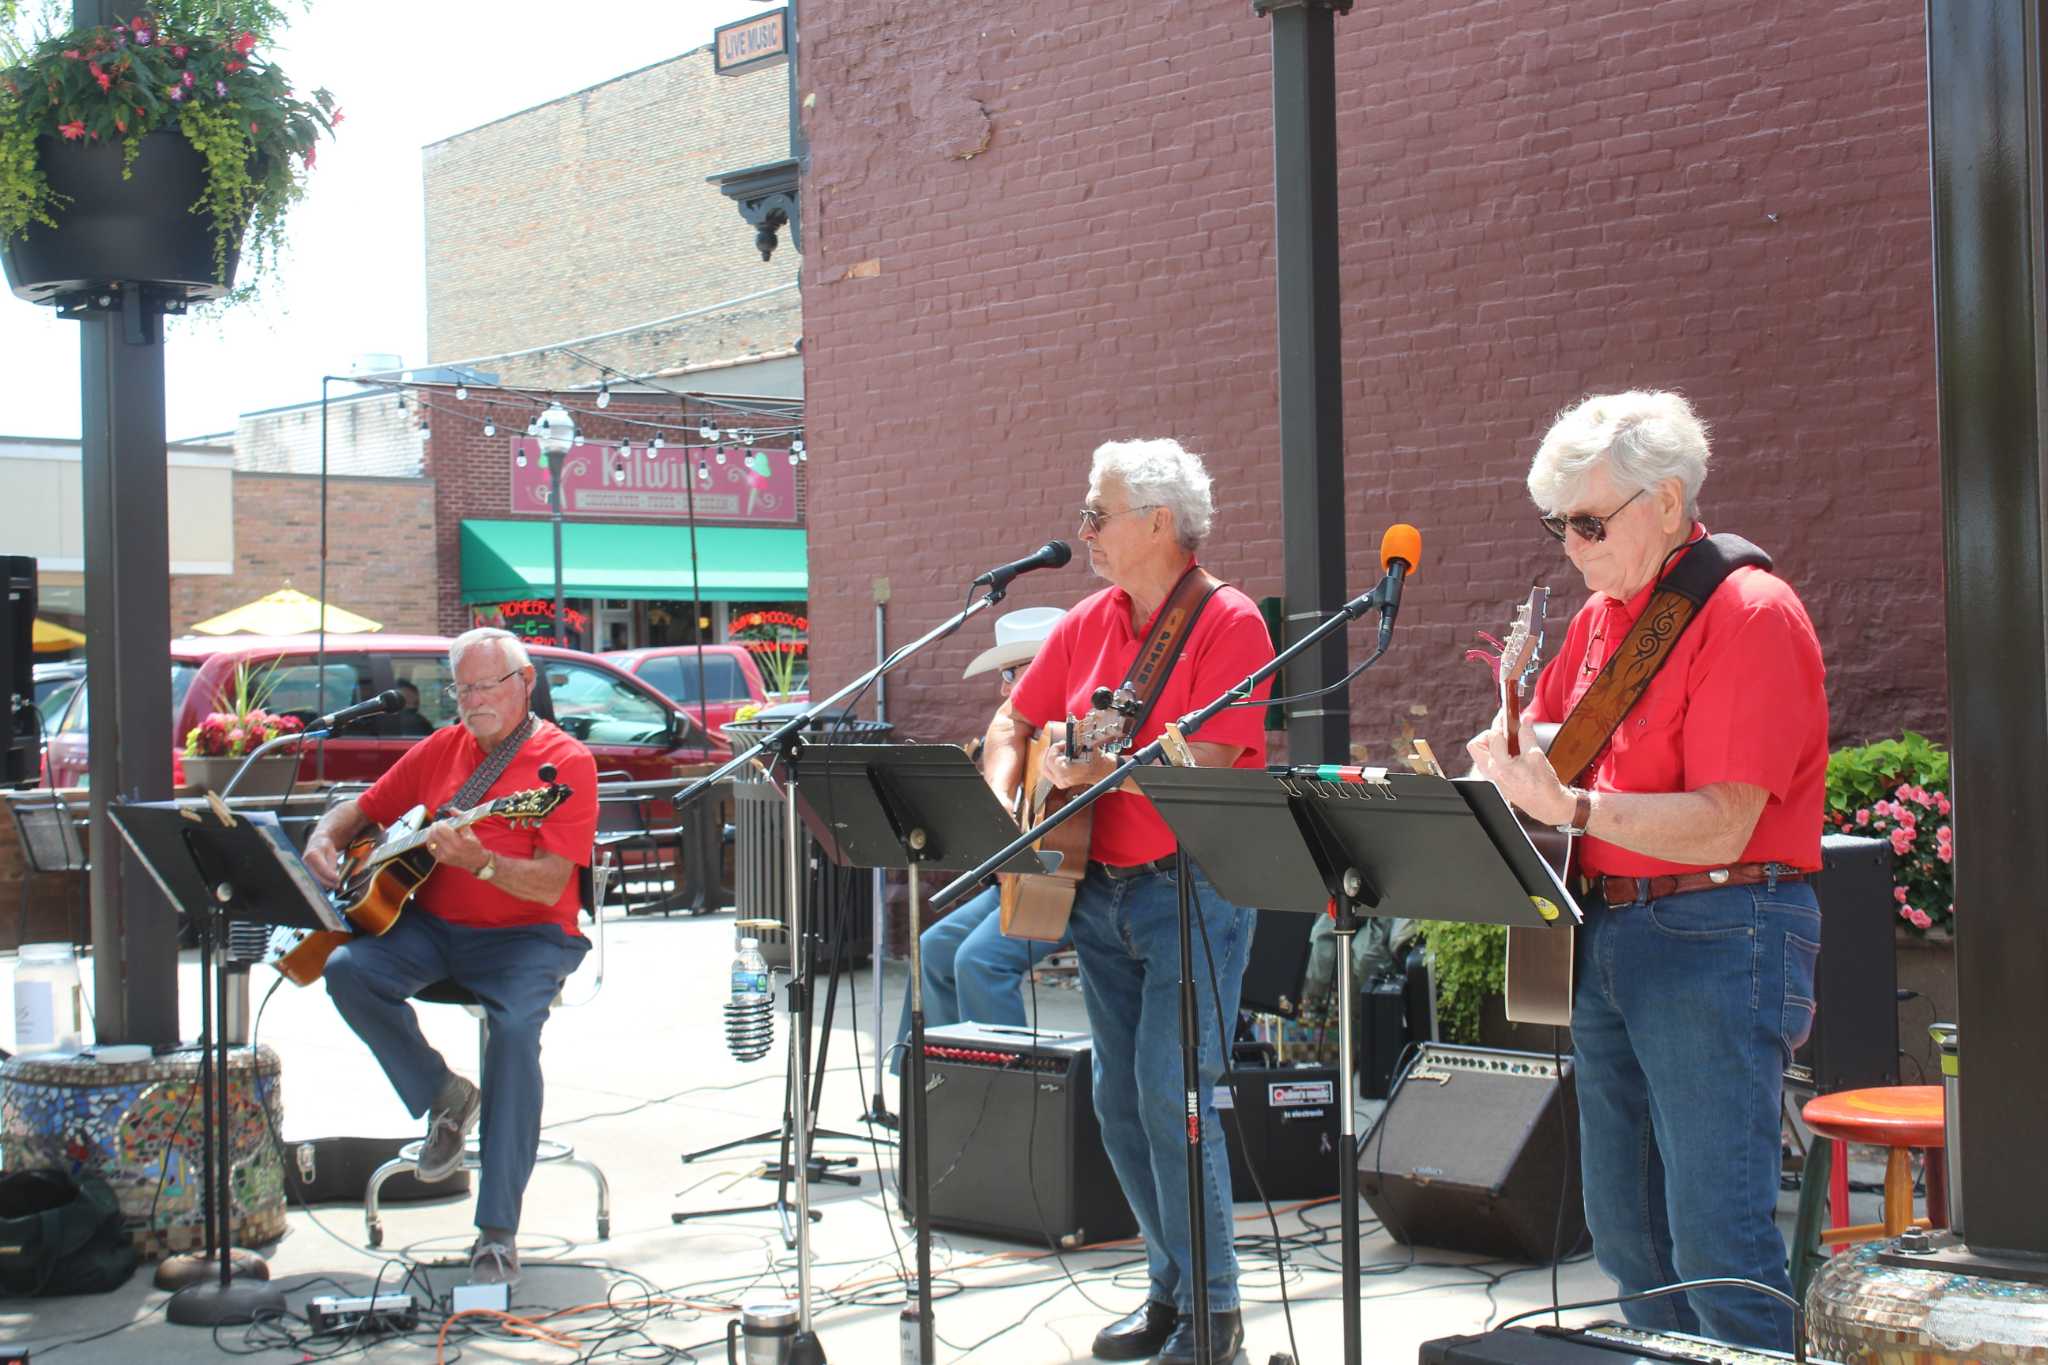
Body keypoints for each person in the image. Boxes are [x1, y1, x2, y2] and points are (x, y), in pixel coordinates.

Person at [1466, 391, 1825, 1352]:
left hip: (1720, 930)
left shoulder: (1750, 612)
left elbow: (1726, 823)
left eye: (1588, 522)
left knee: (1718, 1241)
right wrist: (1505, 754)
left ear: (1667, 502)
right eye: (1558, 525)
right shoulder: (1598, 621)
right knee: (1628, 1237)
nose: (1571, 547)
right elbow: (1545, 747)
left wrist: (1572, 807)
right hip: (1607, 932)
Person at [984, 439, 1273, 1365]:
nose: (1084, 531)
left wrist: (1101, 766)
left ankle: (1216, 1316)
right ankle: (1170, 1289)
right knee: (1115, 1100)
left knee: (1170, 1094)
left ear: (1158, 522)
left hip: (1191, 890)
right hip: (1095, 886)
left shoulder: (1230, 623)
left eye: (1097, 514)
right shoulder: (1087, 619)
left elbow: (1210, 766)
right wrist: (1007, 800)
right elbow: (1015, 720)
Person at [303, 627, 600, 1289]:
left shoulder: (564, 764)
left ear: (525, 683)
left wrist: (483, 861)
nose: (473, 700)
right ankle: (443, 1093)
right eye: (462, 689)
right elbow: (362, 808)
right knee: (347, 970)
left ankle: (496, 1232)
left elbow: (550, 883)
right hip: (434, 927)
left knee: (514, 1033)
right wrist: (326, 836)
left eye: (487, 685)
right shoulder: (441, 747)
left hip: (529, 937)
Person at [892, 607, 1071, 1070]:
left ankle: (1006, 1085)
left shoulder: (1081, 726)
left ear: (1048, 667)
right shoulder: (1022, 728)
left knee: (979, 961)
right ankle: (933, 1079)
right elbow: (1003, 727)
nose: (1004, 687)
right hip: (1025, 882)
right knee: (932, 949)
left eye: (1011, 672)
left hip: (1077, 885)